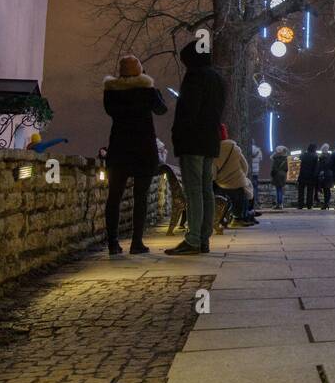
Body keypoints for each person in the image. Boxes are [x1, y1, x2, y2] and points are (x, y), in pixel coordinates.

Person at [102, 55, 167, 255]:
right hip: (143, 148)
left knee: (114, 197)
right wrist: (151, 86)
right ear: (140, 71)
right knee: (141, 197)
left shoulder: (111, 92)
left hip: (119, 148)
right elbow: (162, 109)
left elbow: (109, 111)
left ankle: (113, 243)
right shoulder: (147, 90)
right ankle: (136, 242)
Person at [167, 38, 225, 256]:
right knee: (206, 190)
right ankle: (204, 238)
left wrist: (178, 135)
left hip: (193, 141)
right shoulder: (218, 79)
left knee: (193, 191)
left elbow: (188, 112)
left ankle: (193, 240)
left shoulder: (195, 77)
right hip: (210, 140)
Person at [214, 125, 256, 226]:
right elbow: (245, 165)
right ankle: (240, 217)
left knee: (236, 191)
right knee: (244, 188)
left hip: (221, 183)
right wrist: (241, 176)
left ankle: (237, 218)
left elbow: (212, 171)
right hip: (237, 182)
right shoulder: (234, 148)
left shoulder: (214, 150)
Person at [297, 143, 319, 209]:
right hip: (311, 176)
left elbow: (298, 165)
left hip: (302, 175)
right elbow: (316, 168)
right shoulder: (315, 156)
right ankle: (309, 205)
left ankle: (300, 205)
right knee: (310, 191)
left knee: (301, 191)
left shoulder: (302, 155)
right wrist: (315, 176)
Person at [317, 143, 334, 209]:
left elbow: (320, 167)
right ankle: (327, 203)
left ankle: (326, 204)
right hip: (329, 175)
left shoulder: (321, 157)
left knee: (325, 190)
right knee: (327, 190)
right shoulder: (330, 156)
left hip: (324, 175)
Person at [248, 142, 263, 210]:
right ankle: (256, 203)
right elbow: (260, 158)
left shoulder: (247, 149)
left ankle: (250, 203)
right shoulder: (258, 150)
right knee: (255, 187)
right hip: (256, 171)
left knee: (249, 187)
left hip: (249, 170)